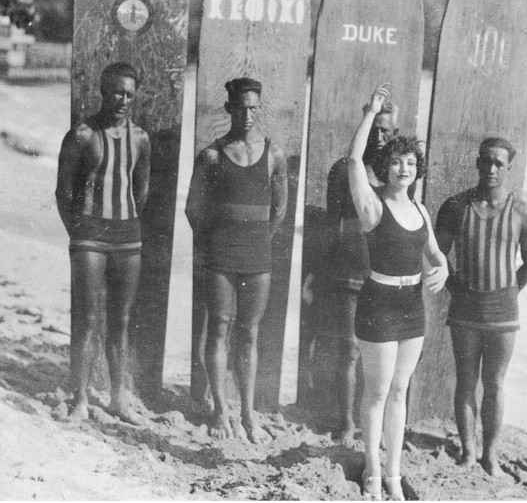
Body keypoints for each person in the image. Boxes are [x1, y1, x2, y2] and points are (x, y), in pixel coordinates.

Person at [348, 84, 448, 500]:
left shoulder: (421, 209)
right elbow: (354, 160)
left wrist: (442, 268)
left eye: (411, 163)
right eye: (396, 162)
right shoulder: (373, 206)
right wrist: (371, 112)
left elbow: (435, 253)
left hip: (412, 308)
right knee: (377, 392)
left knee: (400, 391)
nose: (404, 169)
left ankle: (393, 473)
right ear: (385, 167)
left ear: (416, 169)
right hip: (379, 304)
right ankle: (372, 472)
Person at [186, 77, 288, 443]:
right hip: (221, 254)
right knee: (219, 327)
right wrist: (216, 243)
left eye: (253, 107)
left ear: (259, 109)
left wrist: (256, 237)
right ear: (228, 108)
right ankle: (220, 409)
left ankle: (247, 412)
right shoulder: (212, 154)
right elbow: (193, 209)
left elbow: (279, 210)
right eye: (240, 107)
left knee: (250, 333)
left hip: (257, 253)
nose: (247, 114)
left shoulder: (274, 154)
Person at [435, 137, 527, 475]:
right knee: (466, 379)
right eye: (485, 161)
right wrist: (455, 287)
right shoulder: (455, 206)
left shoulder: (523, 212)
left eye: (498, 163)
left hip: (502, 311)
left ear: (509, 167)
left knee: (494, 382)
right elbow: (437, 255)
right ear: (477, 163)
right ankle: (468, 451)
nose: (491, 169)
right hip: (465, 307)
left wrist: (507, 293)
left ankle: (490, 454)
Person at [55, 62, 151, 423]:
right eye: (115, 92)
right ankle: (80, 398)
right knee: (87, 318)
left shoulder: (140, 138)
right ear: (102, 91)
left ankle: (118, 399)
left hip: (127, 236)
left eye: (129, 94)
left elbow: (141, 190)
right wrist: (79, 232)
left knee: (122, 321)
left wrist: (124, 222)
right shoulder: (81, 135)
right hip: (90, 235)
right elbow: (63, 192)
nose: (122, 100)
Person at [306, 102, 399, 443]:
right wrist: (317, 273)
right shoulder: (341, 171)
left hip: (384, 274)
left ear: (395, 134)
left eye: (386, 131)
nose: (379, 136)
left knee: (381, 354)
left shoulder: (399, 173)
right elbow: (331, 224)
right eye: (374, 128)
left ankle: (371, 423)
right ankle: (345, 423)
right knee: (348, 349)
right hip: (346, 270)